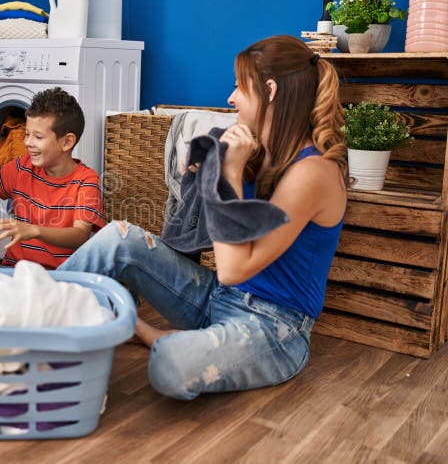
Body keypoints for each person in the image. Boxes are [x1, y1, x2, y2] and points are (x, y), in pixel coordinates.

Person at [59, 35, 348, 400]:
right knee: (117, 238)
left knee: (170, 364)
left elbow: (233, 269)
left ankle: (145, 331)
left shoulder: (313, 172)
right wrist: (206, 165)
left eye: (239, 86)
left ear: (270, 91)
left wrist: (227, 174)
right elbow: (225, 271)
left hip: (276, 328)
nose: (231, 98)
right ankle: (29, 311)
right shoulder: (260, 150)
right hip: (219, 296)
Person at [0, 87, 105, 269]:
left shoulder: (86, 180)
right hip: (16, 270)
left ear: (67, 142)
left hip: (57, 276)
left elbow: (79, 235)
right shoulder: (24, 165)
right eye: (27, 134)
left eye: (38, 136)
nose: (28, 142)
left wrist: (34, 230)